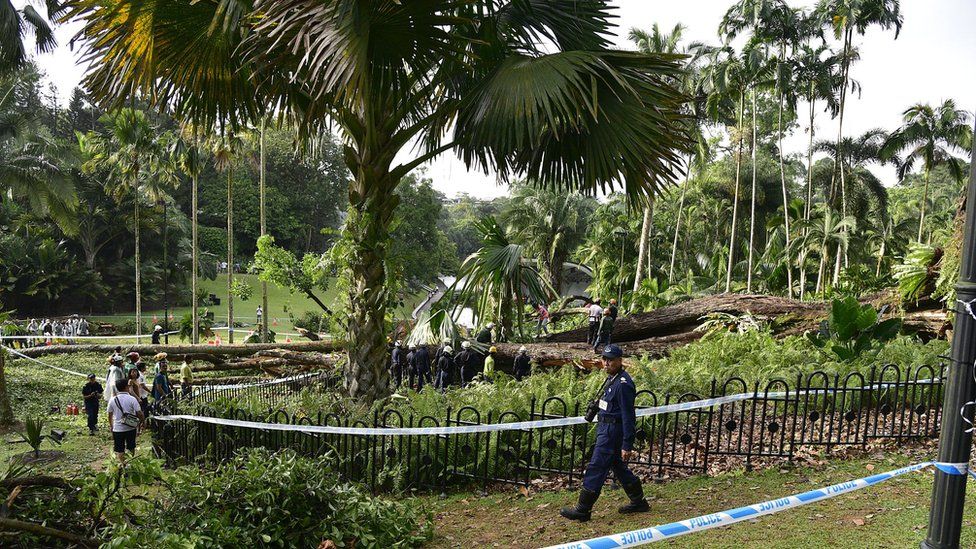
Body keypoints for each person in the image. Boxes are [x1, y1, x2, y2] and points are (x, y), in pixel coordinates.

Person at [560, 344, 649, 521]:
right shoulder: (612, 379)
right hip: (606, 428)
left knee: (597, 466)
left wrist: (627, 444)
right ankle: (639, 501)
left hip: (612, 432)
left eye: (611, 360)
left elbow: (628, 415)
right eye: (604, 359)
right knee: (618, 467)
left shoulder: (623, 384)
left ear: (619, 360)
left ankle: (583, 509)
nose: (606, 363)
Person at [107, 378, 144, 463]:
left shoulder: (112, 400)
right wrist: (142, 422)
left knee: (120, 449)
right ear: (126, 387)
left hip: (118, 428)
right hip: (130, 427)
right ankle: (130, 462)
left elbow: (109, 415)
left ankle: (123, 465)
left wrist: (111, 426)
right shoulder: (132, 399)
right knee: (131, 447)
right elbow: (139, 413)